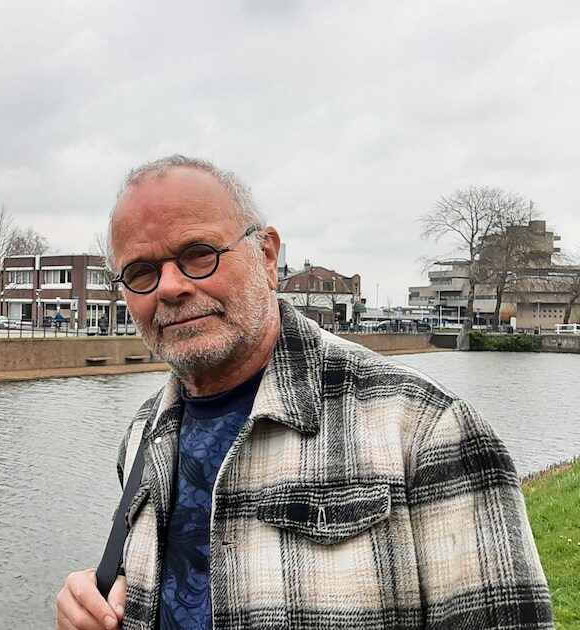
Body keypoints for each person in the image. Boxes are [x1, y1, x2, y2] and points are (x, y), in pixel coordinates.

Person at [56, 156, 552, 630]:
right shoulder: (145, 434)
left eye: (198, 255)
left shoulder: (427, 427)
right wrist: (93, 606)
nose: (169, 287)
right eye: (142, 272)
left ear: (267, 256)